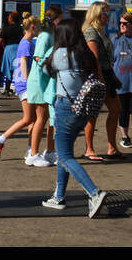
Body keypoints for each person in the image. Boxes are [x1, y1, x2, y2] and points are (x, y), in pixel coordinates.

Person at [42, 20, 110, 217]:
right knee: (66, 152)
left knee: (64, 156)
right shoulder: (85, 54)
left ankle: (94, 192)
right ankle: (59, 196)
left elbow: (45, 69)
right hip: (82, 109)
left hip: (65, 107)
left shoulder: (60, 54)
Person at [0, 15, 39, 160]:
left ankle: (31, 150)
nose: (39, 29)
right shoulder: (26, 43)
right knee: (28, 119)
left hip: (24, 83)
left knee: (33, 119)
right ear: (32, 27)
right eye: (38, 26)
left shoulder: (28, 42)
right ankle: (0, 140)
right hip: (25, 84)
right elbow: (24, 63)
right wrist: (30, 81)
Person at [81, 2, 123, 160]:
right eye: (105, 13)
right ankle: (89, 149)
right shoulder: (91, 32)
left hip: (107, 74)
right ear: (97, 15)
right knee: (92, 113)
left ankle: (112, 147)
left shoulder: (100, 32)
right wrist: (100, 79)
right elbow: (94, 58)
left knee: (116, 109)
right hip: (98, 75)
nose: (108, 16)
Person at [24, 12, 57, 166]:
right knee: (41, 118)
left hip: (46, 83)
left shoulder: (49, 35)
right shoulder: (45, 36)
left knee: (51, 119)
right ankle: (33, 153)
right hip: (40, 83)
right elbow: (38, 58)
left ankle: (50, 151)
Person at [112, 13, 132, 149]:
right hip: (120, 81)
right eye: (120, 23)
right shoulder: (116, 40)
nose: (121, 25)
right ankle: (125, 137)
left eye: (125, 23)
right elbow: (112, 60)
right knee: (123, 111)